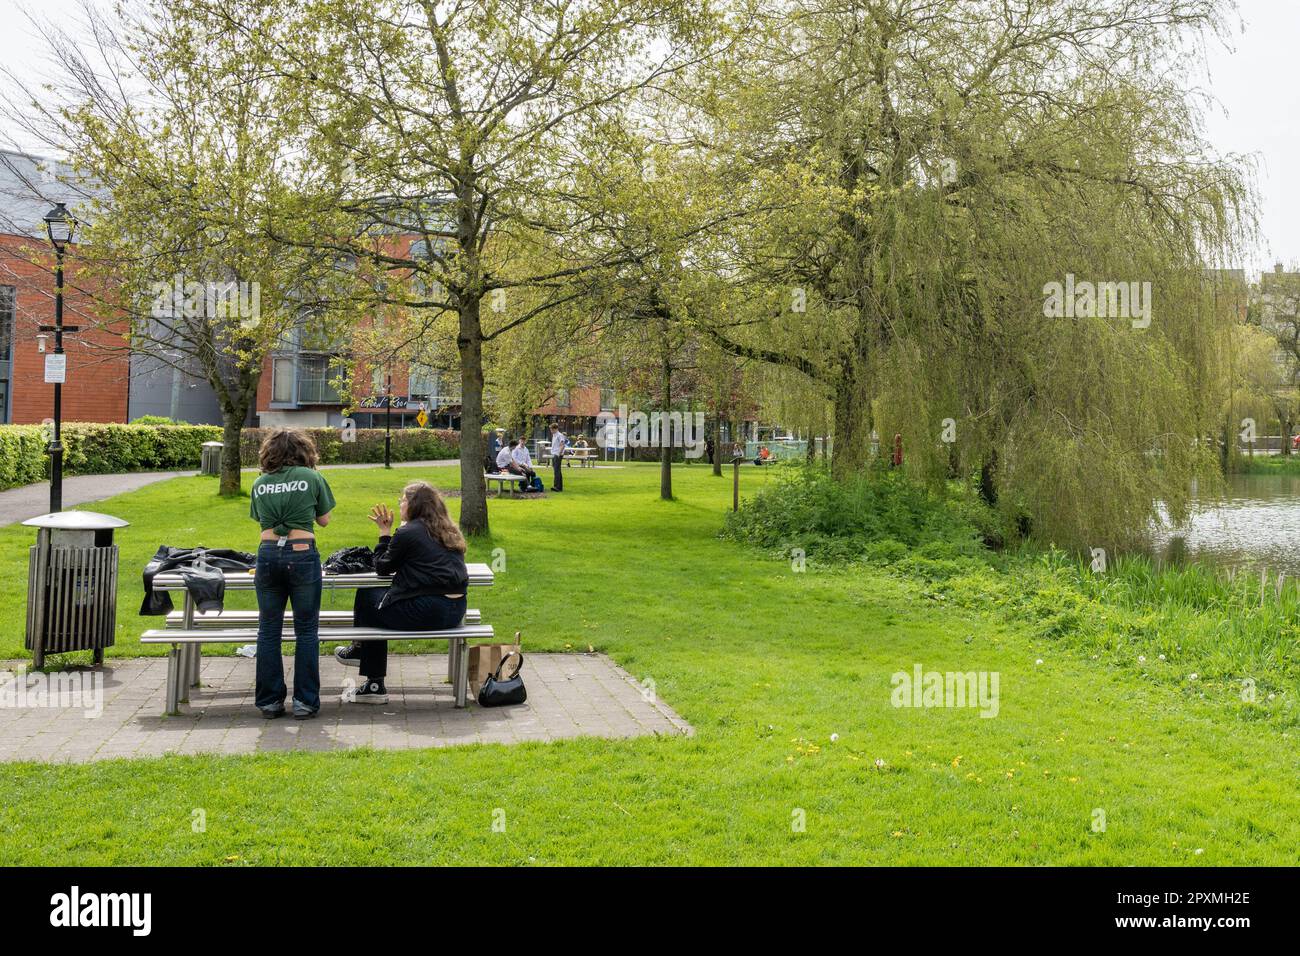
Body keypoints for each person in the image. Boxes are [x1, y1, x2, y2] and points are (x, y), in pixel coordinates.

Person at [335, 481, 469, 704]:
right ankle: (362, 653)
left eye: (403, 500)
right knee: (378, 599)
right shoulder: (448, 530)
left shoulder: (409, 531)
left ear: (415, 505)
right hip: (455, 611)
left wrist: (384, 533)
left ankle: (371, 676)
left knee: (368, 595)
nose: (400, 504)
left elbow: (382, 567)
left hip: (428, 611)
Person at [248, 428, 335, 719]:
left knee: (268, 629)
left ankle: (269, 701)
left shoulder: (259, 483)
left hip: (268, 554)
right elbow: (323, 520)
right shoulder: (312, 478)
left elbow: (260, 520)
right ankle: (305, 701)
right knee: (307, 630)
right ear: (304, 451)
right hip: (302, 553)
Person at [549, 422, 567, 491]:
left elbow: (562, 444)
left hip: (557, 454)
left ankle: (558, 487)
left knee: (557, 470)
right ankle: (557, 486)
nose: (551, 431)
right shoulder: (554, 435)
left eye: (551, 429)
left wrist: (559, 453)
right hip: (554, 454)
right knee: (556, 470)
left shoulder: (560, 435)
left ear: (555, 429)